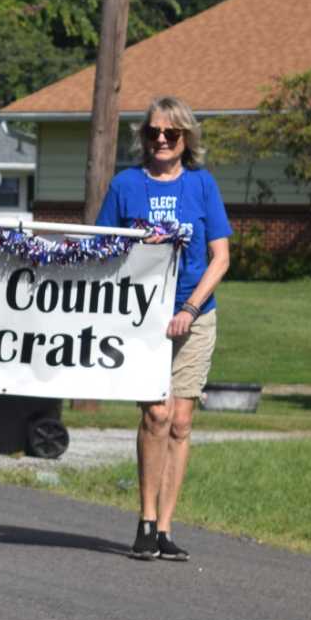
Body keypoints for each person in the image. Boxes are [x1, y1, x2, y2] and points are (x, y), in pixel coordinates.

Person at [95, 96, 232, 563]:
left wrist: (191, 309)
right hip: (143, 317)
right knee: (155, 414)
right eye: (153, 131)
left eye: (170, 133)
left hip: (195, 313)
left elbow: (220, 257)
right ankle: (146, 521)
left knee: (181, 422)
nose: (161, 139)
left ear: (186, 138)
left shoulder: (202, 184)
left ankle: (167, 528)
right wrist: (137, 245)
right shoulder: (126, 185)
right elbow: (102, 248)